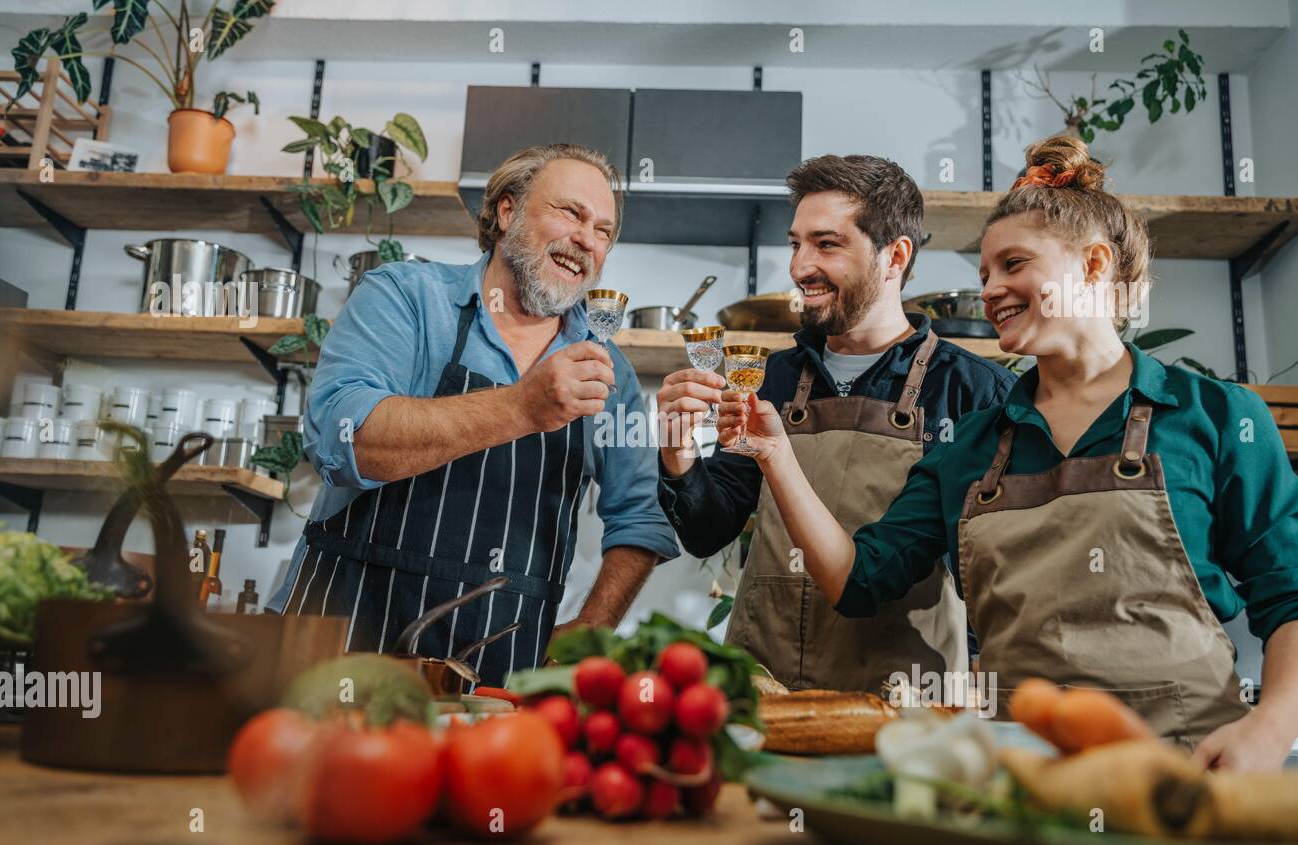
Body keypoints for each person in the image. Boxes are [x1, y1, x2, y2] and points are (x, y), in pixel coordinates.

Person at [718, 135, 1298, 769]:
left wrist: (1269, 729)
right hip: (1022, 775)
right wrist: (774, 454)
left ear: (1095, 266)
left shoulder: (1215, 417)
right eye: (986, 274)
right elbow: (857, 583)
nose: (992, 290)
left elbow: (1288, 593)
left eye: (1014, 264)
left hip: (1192, 767)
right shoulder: (972, 447)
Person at [266, 143, 679, 686]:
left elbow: (641, 517)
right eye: (571, 213)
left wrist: (592, 625)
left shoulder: (610, 372)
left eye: (604, 231)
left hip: (500, 667)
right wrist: (520, 406)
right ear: (507, 210)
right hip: (342, 634)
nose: (586, 240)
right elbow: (344, 440)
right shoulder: (406, 299)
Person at [656, 154, 1015, 692]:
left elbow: (994, 580)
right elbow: (709, 531)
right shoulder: (772, 377)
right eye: (795, 243)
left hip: (902, 705)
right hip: (763, 690)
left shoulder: (973, 390)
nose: (800, 267)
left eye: (826, 244)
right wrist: (678, 454)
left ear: (894, 256)